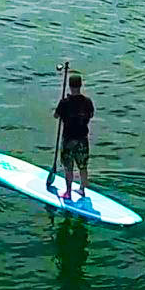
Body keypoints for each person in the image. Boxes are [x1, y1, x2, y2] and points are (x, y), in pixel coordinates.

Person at [52, 73, 96, 202]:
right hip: (82, 139)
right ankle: (82, 189)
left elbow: (56, 115)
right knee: (83, 166)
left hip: (68, 139)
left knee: (68, 167)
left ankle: (68, 192)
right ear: (80, 85)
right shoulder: (87, 102)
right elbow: (91, 115)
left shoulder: (64, 103)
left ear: (70, 86)